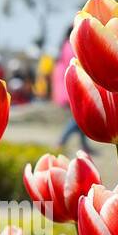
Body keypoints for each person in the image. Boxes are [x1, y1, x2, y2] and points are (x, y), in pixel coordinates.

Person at [51, 25, 91, 153]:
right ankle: (61, 140)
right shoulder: (71, 45)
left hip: (64, 87)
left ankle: (84, 146)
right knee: (77, 119)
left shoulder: (64, 45)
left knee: (80, 118)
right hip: (71, 87)